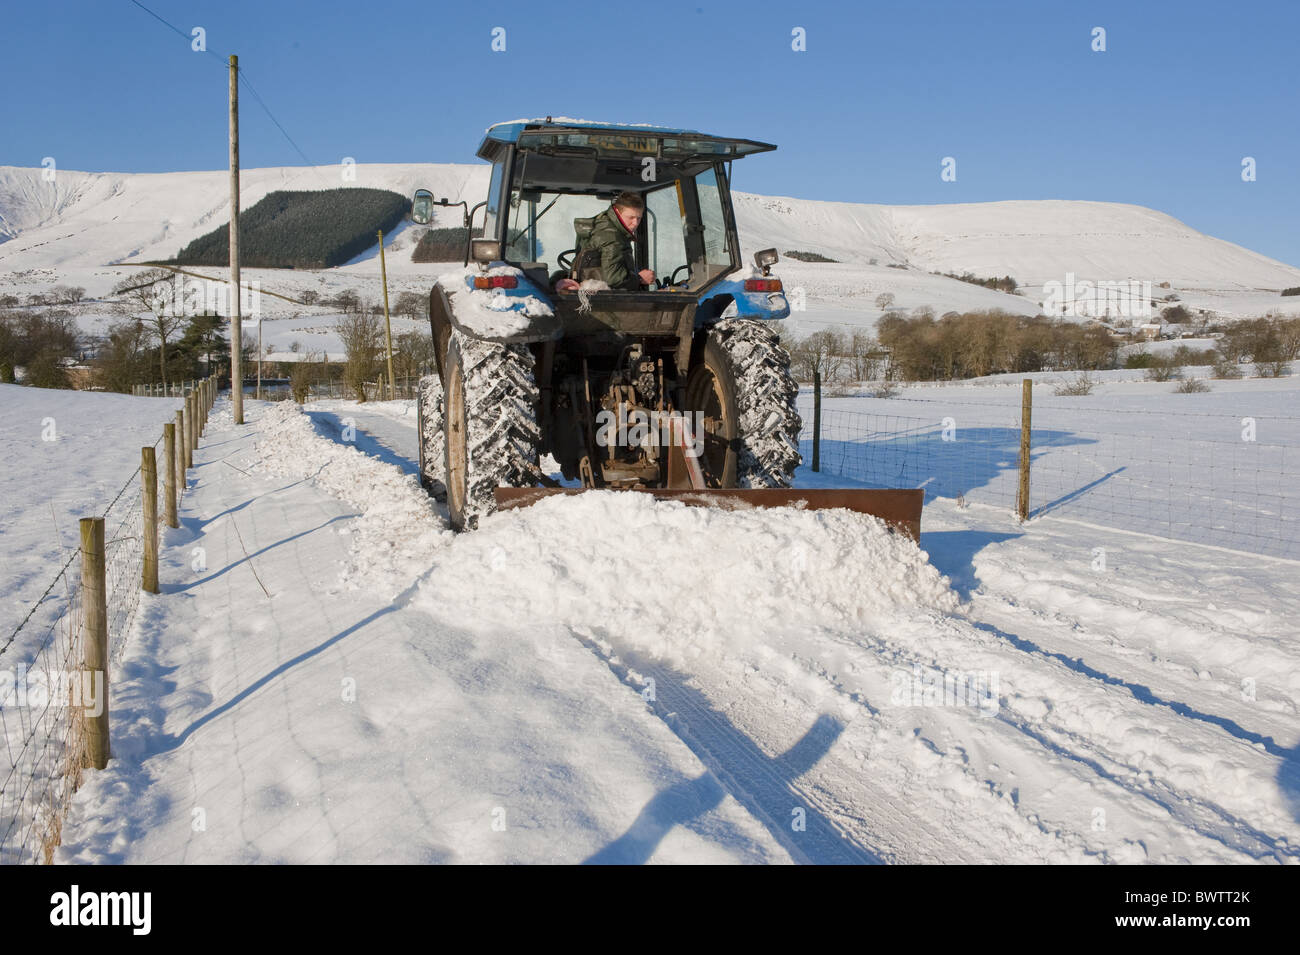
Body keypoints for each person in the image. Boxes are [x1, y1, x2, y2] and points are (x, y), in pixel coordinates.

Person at [555, 192, 656, 292]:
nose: (635, 223)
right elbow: (613, 279)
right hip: (604, 301)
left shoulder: (603, 224)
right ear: (617, 211)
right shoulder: (612, 236)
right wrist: (640, 278)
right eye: (631, 217)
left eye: (639, 218)